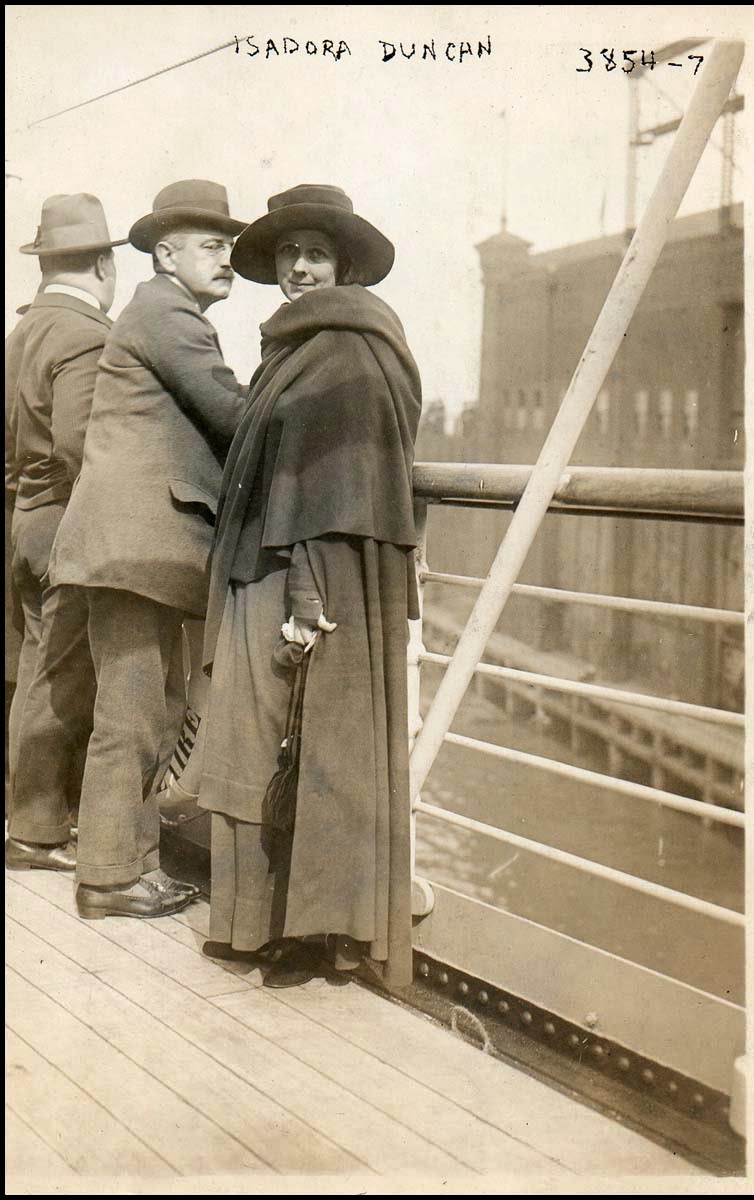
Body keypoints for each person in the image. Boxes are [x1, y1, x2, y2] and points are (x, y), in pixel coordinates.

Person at [197, 184, 422, 988]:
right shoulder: (291, 345)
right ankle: (253, 927)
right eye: (289, 254)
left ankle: (306, 929)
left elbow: (340, 481)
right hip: (272, 561)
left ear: (345, 264)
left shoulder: (350, 345)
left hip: (313, 568)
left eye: (315, 254)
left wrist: (304, 592)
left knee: (312, 746)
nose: (299, 268)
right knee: (251, 743)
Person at [47, 179, 248, 919]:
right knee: (132, 715)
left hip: (129, 547)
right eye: (211, 246)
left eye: (229, 246)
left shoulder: (159, 311)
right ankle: (106, 877)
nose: (227, 258)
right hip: (137, 549)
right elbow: (232, 413)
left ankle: (129, 866)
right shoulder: (170, 315)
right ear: (165, 255)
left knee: (150, 710)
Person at [5, 193, 125, 871]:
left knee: (36, 671)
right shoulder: (86, 334)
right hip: (66, 527)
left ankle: (33, 815)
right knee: (63, 676)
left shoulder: (22, 334)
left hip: (26, 518)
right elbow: (83, 447)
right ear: (104, 265)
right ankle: (38, 830)